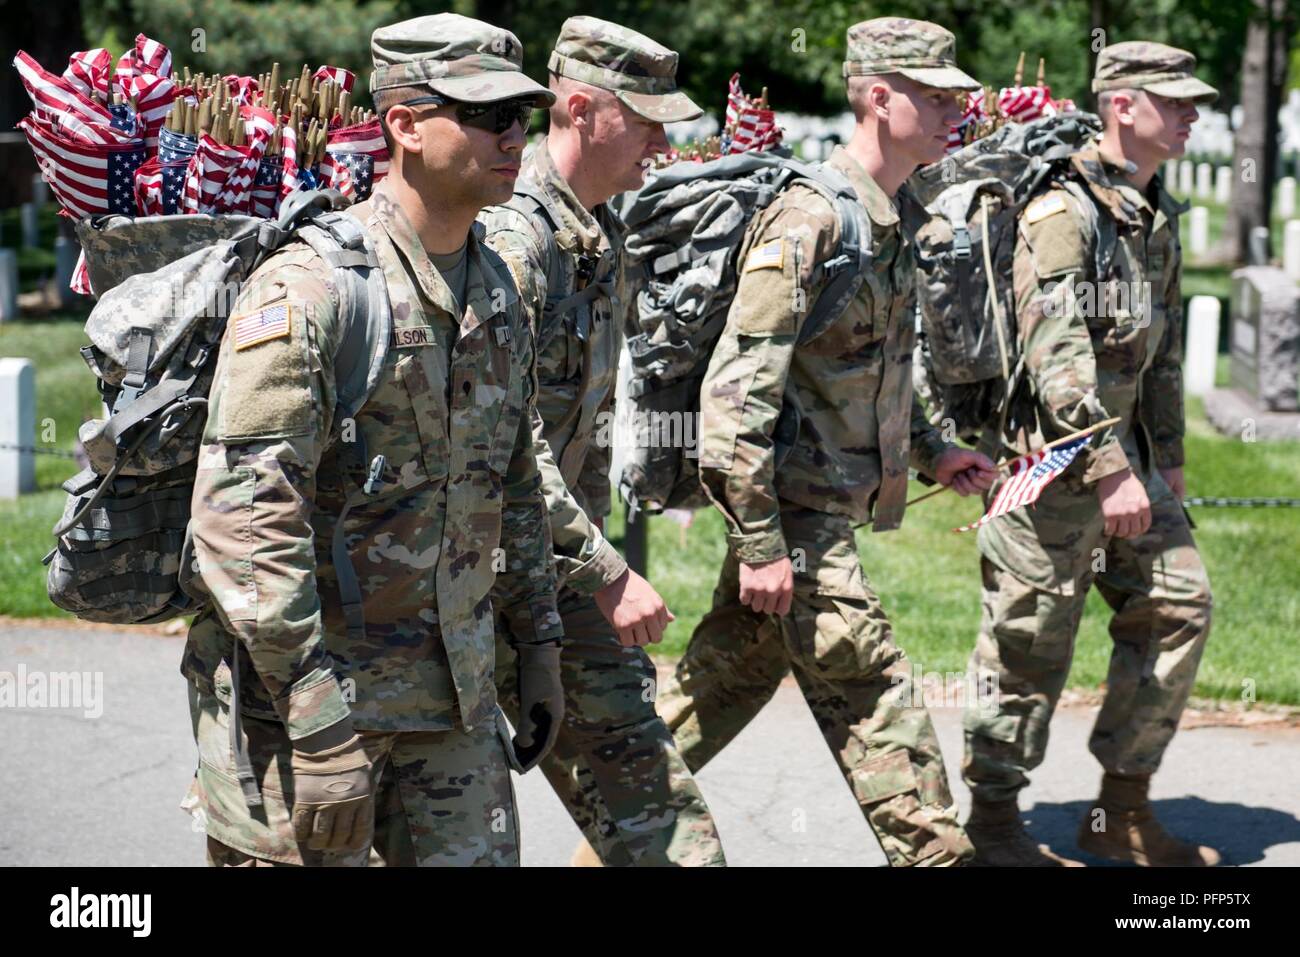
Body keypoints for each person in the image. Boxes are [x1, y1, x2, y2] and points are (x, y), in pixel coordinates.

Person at [180, 12, 563, 866]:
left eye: (522, 116)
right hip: (303, 715)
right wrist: (316, 724)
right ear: (403, 125)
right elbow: (243, 519)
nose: (514, 136)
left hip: (452, 709)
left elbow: (514, 479)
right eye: (486, 113)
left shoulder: (497, 288)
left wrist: (537, 642)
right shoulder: (313, 289)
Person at [650, 18, 997, 867]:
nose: (957, 109)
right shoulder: (810, 222)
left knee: (718, 689)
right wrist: (762, 542)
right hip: (796, 525)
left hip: (821, 515)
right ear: (880, 98)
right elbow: (735, 398)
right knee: (882, 704)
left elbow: (870, 369)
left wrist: (932, 450)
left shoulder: (894, 217)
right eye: (936, 94)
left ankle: (622, 831)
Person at [961, 41, 1220, 867]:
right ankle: (994, 825)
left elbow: (1163, 347)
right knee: (1028, 644)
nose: (1190, 114)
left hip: (1128, 465)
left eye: (1192, 102)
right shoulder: (1061, 213)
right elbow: (1056, 351)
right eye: (1174, 101)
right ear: (1121, 107)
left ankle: (1121, 809)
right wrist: (1110, 469)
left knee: (1179, 603)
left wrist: (1166, 455)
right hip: (1051, 469)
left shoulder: (1154, 210)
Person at [480, 16, 725, 867]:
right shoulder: (518, 238)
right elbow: (504, 437)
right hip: (466, 581)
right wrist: (609, 569)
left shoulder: (596, 228)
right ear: (581, 109)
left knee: (668, 831)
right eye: (645, 116)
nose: (662, 138)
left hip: (549, 571)